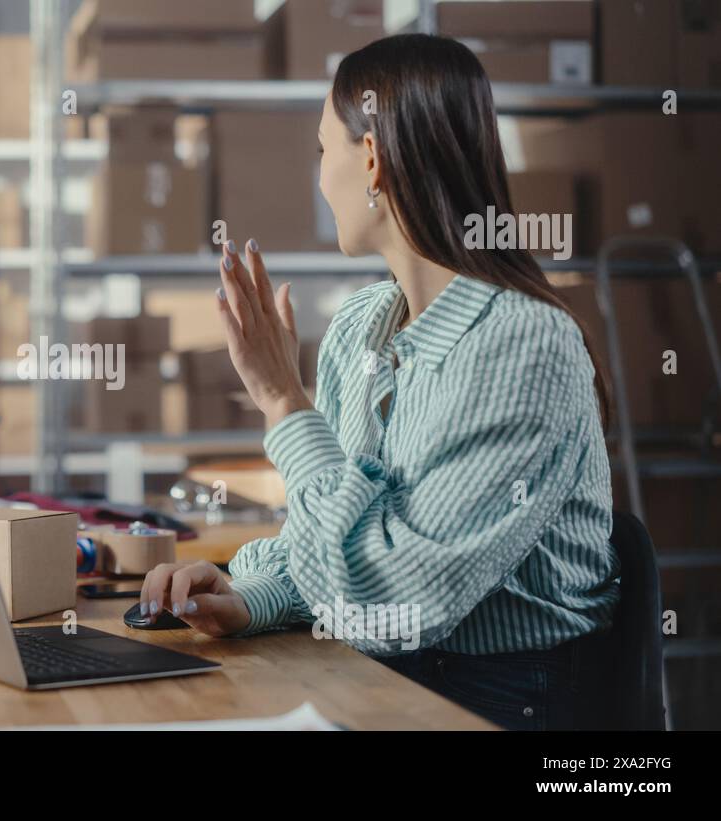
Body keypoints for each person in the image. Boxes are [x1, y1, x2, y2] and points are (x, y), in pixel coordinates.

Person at [137, 34, 621, 731]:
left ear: (371, 161)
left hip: (505, 700)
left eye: (321, 150)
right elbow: (335, 537)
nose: (320, 174)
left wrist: (284, 404)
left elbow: (395, 599)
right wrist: (253, 595)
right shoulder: (362, 324)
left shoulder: (526, 344)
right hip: (384, 671)